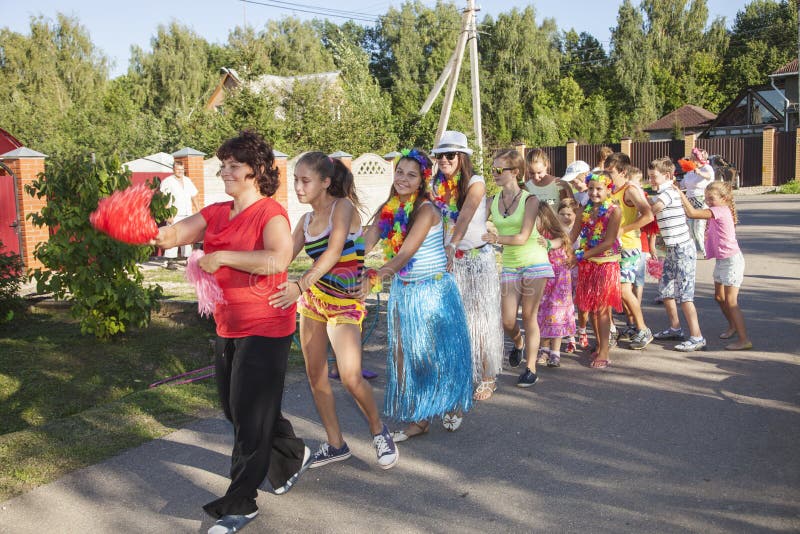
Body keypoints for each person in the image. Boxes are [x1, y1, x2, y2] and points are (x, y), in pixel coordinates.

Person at [152, 131, 310, 534]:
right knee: (236, 409)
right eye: (223, 165)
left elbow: (278, 258)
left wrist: (222, 256)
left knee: (248, 418)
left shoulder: (270, 213)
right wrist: (151, 232)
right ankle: (292, 450)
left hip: (266, 325)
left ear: (255, 172)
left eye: (232, 166)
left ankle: (241, 504)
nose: (224, 171)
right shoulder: (217, 212)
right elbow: (175, 235)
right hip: (228, 325)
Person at [268, 152, 398, 470]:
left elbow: (334, 251)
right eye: (295, 179)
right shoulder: (304, 221)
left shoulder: (343, 207)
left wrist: (299, 284)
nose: (298, 186)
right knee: (316, 376)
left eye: (305, 180)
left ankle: (379, 431)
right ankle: (335, 443)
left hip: (345, 305)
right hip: (314, 303)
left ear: (325, 182)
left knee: (351, 377)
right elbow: (280, 257)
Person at [362, 149, 472, 440]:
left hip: (433, 291)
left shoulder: (426, 211)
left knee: (434, 355)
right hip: (404, 291)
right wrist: (340, 260)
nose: (403, 179)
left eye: (411, 175)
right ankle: (421, 417)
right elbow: (367, 241)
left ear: (422, 179)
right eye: (400, 172)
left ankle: (453, 401)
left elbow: (405, 254)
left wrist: (373, 279)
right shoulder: (390, 207)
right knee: (404, 355)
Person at [429, 131, 503, 402]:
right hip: (448, 262)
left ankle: (487, 376)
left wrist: (453, 243)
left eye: (450, 155)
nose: (444, 160)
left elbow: (465, 216)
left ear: (462, 157)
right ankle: (457, 373)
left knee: (481, 320)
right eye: (440, 155)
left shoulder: (476, 183)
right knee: (452, 321)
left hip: (475, 259)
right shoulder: (435, 186)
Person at [482, 149, 553, 388]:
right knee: (507, 320)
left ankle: (530, 368)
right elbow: (472, 224)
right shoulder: (491, 201)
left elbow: (523, 237)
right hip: (511, 263)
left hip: (534, 261)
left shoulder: (530, 200)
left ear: (515, 172)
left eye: (499, 170)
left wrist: (495, 239)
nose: (495, 173)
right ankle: (519, 343)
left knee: (529, 316)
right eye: (493, 169)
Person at [676, 181, 752, 350]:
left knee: (731, 301)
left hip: (732, 261)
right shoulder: (718, 209)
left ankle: (744, 339)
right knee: (719, 297)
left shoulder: (720, 210)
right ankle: (733, 326)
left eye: (711, 198)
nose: (708, 202)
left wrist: (680, 194)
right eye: (706, 199)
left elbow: (692, 213)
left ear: (724, 198)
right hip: (722, 260)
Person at [647, 157, 706, 352]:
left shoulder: (670, 192)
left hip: (682, 248)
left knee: (685, 295)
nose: (651, 181)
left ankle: (697, 336)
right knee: (666, 291)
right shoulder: (661, 192)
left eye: (654, 177)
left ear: (667, 175)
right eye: (649, 177)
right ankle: (675, 328)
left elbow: (651, 211)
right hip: (672, 249)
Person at [568, 172, 622, 369]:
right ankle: (599, 344)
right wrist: (561, 250)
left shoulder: (614, 211)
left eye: (599, 189)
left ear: (609, 190)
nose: (593, 192)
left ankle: (605, 351)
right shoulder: (584, 210)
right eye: (590, 188)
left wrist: (582, 256)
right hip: (587, 263)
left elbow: (608, 242)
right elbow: (573, 235)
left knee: (602, 308)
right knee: (590, 307)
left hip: (605, 263)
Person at [604, 154, 654, 350]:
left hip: (628, 246)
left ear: (623, 172)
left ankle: (643, 329)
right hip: (610, 246)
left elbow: (648, 215)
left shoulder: (630, 190)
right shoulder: (610, 189)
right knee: (608, 289)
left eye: (611, 172)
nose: (607, 176)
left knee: (624, 289)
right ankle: (612, 330)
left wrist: (624, 229)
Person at [535, 204, 576, 368]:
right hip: (543, 282)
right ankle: (544, 349)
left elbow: (559, 241)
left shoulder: (556, 233)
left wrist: (548, 243)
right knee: (543, 315)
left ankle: (555, 352)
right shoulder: (534, 232)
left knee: (556, 316)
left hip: (559, 286)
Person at [159, 161, 200, 264]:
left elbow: (194, 195)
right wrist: (168, 214)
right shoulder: (167, 181)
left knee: (188, 236)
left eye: (182, 169)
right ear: (174, 170)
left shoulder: (187, 181)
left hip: (187, 213)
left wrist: (199, 210)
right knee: (172, 235)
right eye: (178, 170)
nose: (180, 171)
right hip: (174, 213)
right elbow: (164, 198)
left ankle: (187, 259)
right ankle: (170, 261)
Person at [681, 147, 714, 258]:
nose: (690, 159)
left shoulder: (707, 168)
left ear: (699, 158)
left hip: (701, 201)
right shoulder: (690, 171)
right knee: (689, 229)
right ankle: (691, 252)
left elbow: (709, 177)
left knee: (698, 229)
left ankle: (706, 252)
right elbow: (682, 184)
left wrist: (699, 172)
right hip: (689, 201)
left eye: (693, 157)